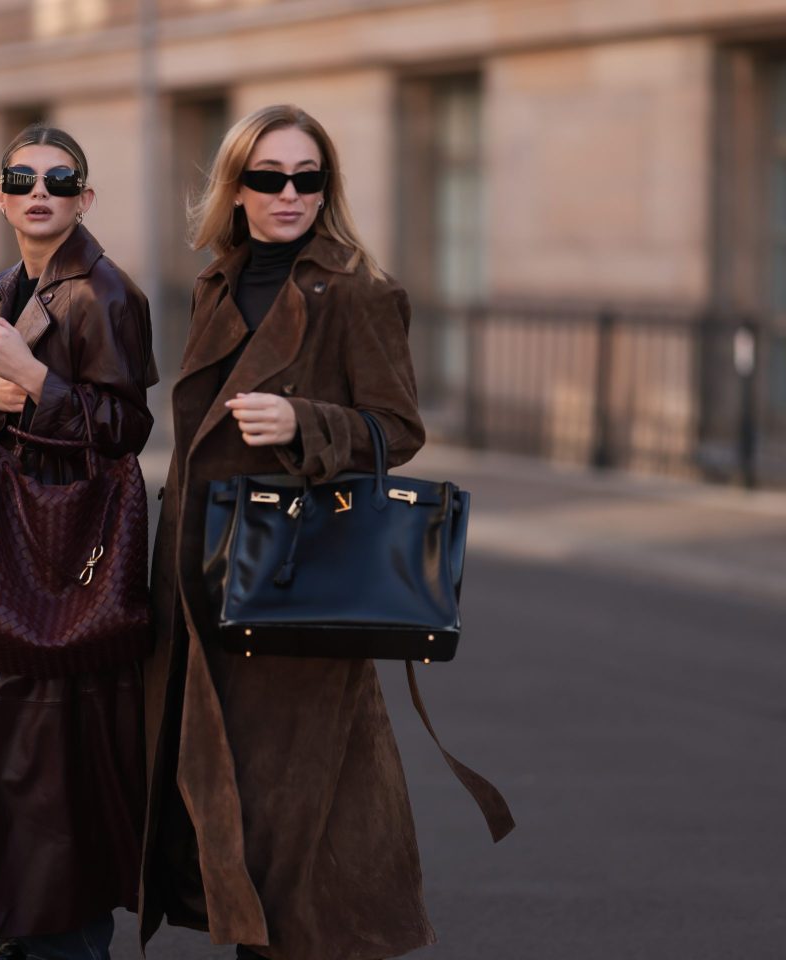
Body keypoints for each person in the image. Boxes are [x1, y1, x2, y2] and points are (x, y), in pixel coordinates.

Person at [139, 104, 512, 960]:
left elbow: (398, 426)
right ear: (235, 189)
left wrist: (305, 422)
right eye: (269, 177)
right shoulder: (217, 282)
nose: (290, 194)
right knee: (220, 802)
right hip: (202, 584)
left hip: (290, 583)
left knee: (291, 823)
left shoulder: (358, 291)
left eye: (309, 178)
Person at [0, 124, 158, 960]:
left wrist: (38, 384)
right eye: (22, 178)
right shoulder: (5, 287)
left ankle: (64, 936)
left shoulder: (105, 291)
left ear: (84, 198)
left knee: (53, 746)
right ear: (1, 197)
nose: (39, 191)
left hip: (63, 556)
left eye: (59, 179)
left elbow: (127, 429)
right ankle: (19, 923)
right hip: (0, 541)